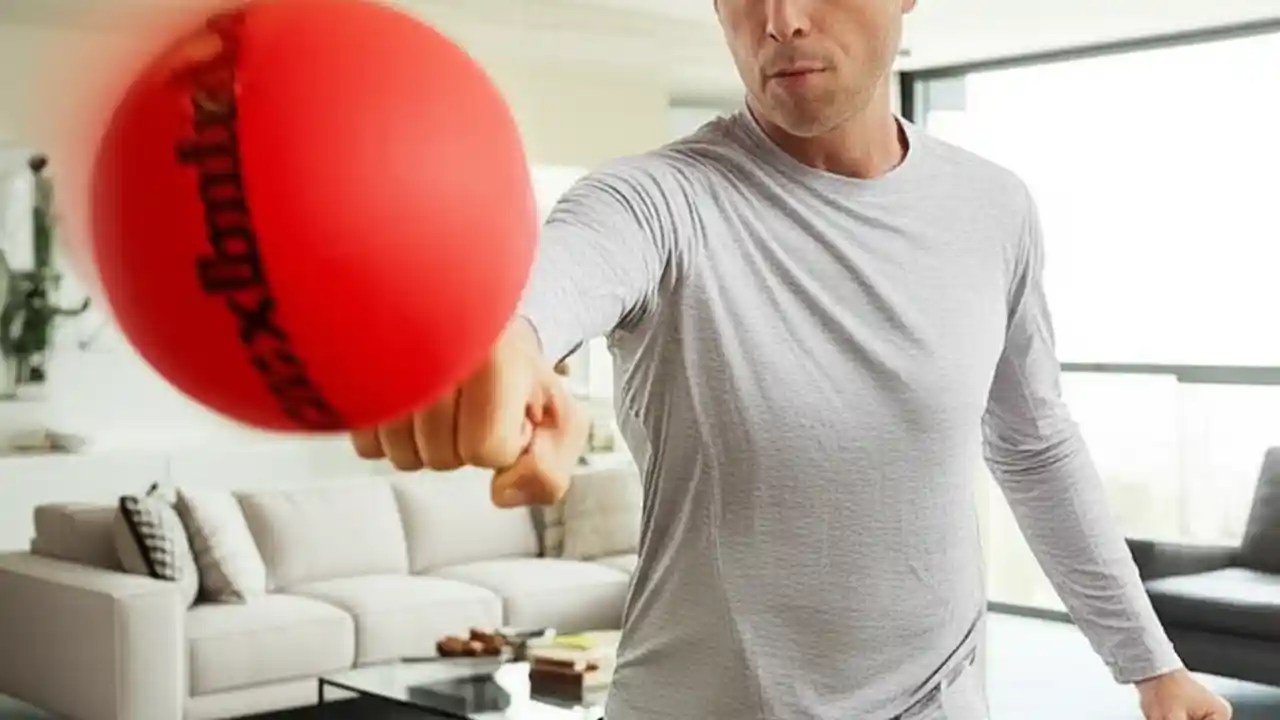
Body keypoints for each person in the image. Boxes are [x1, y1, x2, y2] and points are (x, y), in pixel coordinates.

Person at [351, 1, 1235, 718]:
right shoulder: (661, 197)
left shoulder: (993, 209)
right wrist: (501, 342)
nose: (779, 20)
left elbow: (1036, 446)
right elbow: (551, 282)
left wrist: (1152, 667)